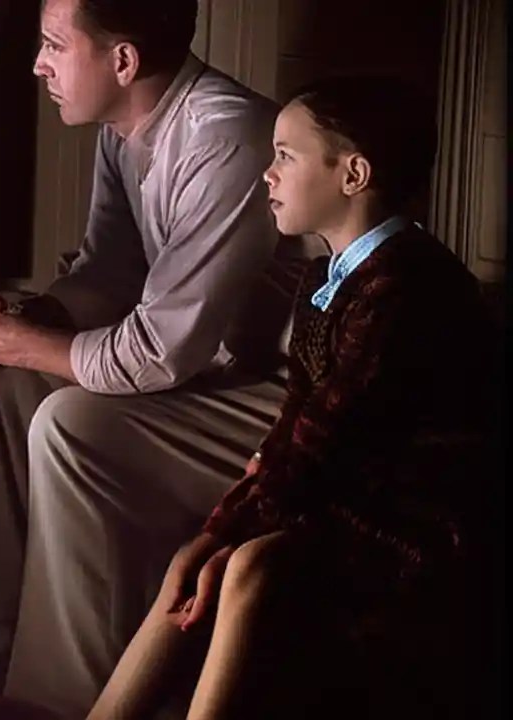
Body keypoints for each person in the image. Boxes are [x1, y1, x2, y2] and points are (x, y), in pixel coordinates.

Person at [0, 1, 315, 717]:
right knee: (18, 389)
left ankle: (59, 699)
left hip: (275, 392)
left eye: (53, 46)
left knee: (72, 424)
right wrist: (1, 333)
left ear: (122, 61)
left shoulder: (224, 136)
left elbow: (161, 349)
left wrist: (21, 341)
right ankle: (8, 638)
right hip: (205, 368)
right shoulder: (124, 131)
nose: (39, 65)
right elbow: (106, 276)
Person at [88, 75, 501, 720]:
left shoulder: (407, 285)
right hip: (350, 491)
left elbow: (330, 439)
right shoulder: (322, 278)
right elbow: (295, 422)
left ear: (353, 173)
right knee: (195, 558)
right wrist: (214, 531)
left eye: (286, 155)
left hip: (422, 516)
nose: (267, 175)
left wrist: (236, 534)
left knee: (250, 565)